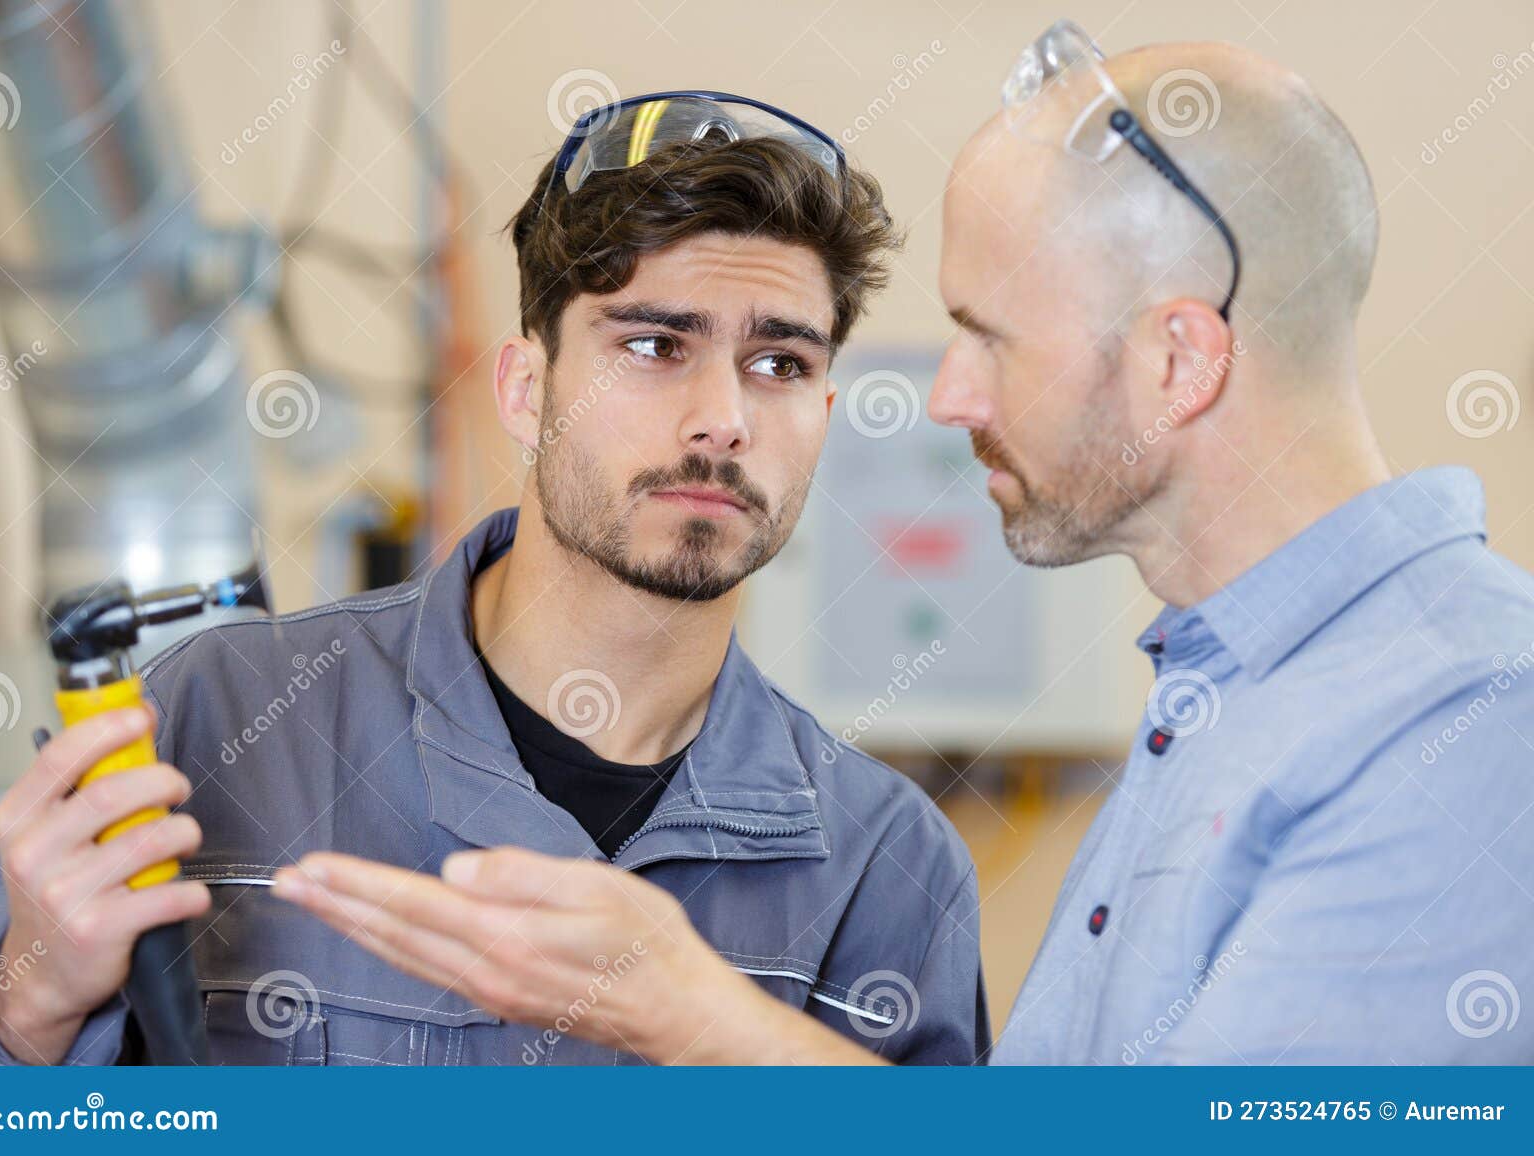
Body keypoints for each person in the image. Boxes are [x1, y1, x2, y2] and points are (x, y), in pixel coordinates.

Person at [277, 30, 1534, 1065]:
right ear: (523, 382)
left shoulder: (1467, 717)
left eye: (992, 337)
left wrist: (697, 1015)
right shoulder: (1218, 703)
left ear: (1177, 360)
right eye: (654, 344)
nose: (947, 398)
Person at [0, 92, 989, 1066]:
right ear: (527, 390)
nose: (726, 415)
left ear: (824, 420)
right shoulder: (216, 724)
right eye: (657, 344)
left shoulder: (883, 866)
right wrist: (25, 1006)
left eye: (781, 365)